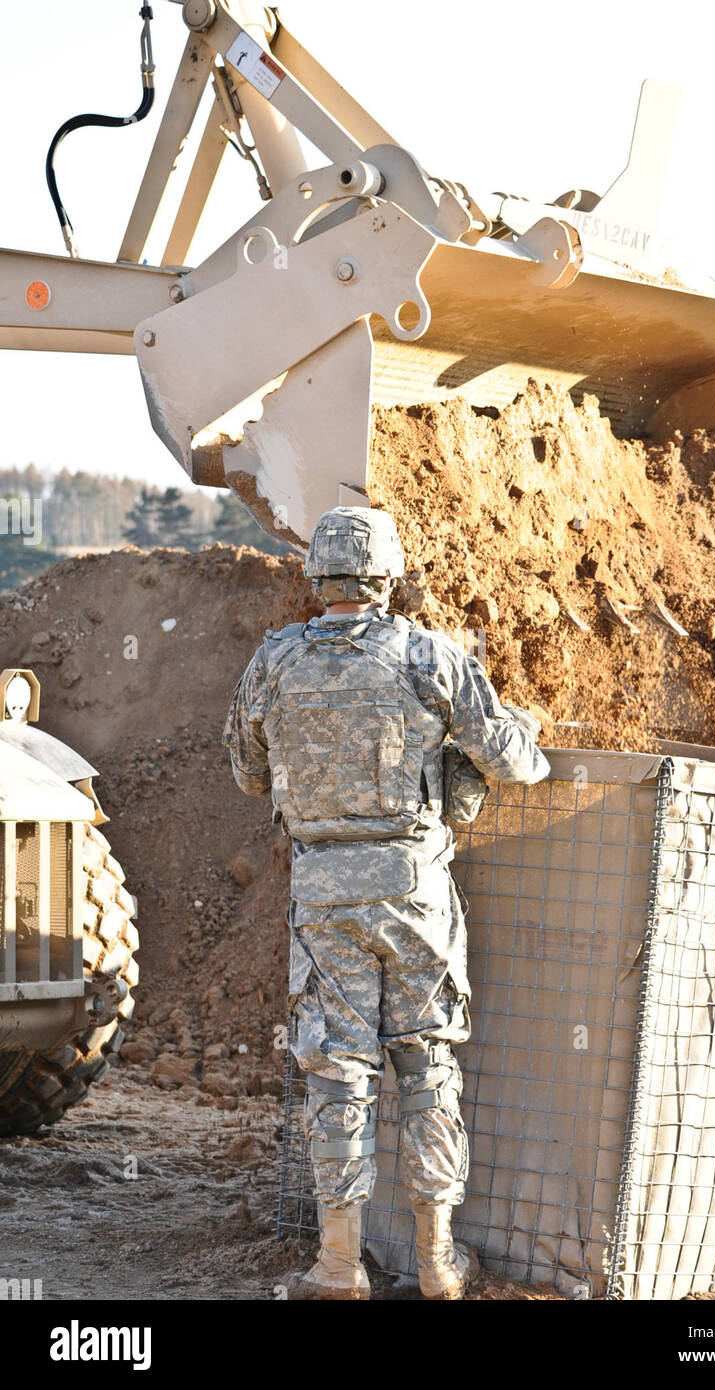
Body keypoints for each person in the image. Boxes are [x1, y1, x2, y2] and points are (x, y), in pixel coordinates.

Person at [223, 506, 549, 1300]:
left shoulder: (273, 662)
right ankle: (437, 1264)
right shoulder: (430, 656)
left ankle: (338, 1265)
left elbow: (246, 774)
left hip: (322, 892)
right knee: (426, 1065)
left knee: (338, 1068)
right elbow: (511, 762)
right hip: (412, 893)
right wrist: (519, 731)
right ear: (388, 576)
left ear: (317, 577)